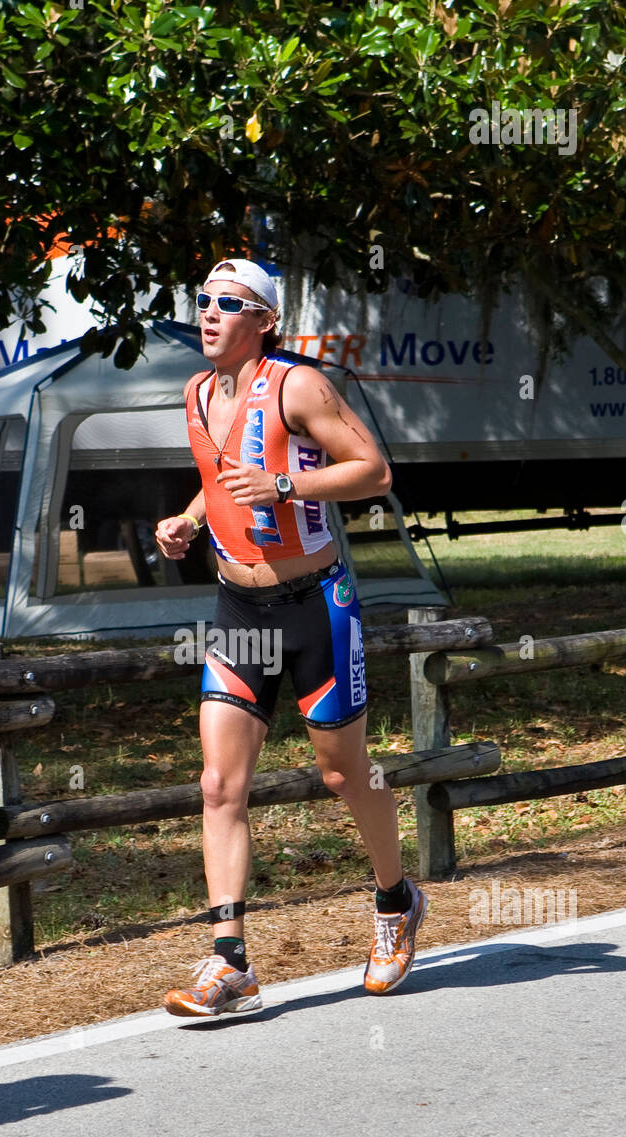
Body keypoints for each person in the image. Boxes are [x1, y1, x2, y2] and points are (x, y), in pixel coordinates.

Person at [154, 258, 427, 1017]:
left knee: (345, 773)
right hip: (238, 612)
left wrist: (285, 486)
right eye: (202, 300)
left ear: (265, 320)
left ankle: (395, 901)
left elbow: (373, 471)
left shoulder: (298, 386)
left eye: (229, 304)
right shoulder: (198, 393)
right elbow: (218, 480)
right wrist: (189, 522)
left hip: (317, 604)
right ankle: (229, 960)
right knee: (219, 783)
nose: (209, 314)